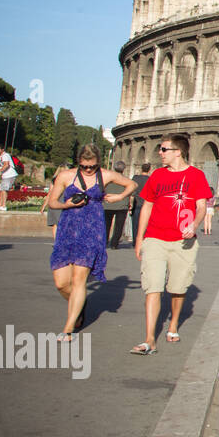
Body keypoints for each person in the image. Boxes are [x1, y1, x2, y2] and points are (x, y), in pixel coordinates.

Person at [131, 134, 212, 355]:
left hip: (183, 241)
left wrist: (194, 225)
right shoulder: (157, 175)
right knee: (152, 287)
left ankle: (174, 323)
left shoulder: (196, 176)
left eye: (164, 149)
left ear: (178, 151)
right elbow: (147, 206)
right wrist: (139, 238)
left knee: (177, 288)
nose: (160, 152)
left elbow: (202, 207)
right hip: (155, 238)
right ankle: (149, 339)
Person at [47, 145, 135, 339]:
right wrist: (66, 204)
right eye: (85, 166)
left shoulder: (104, 175)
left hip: (92, 231)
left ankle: (68, 328)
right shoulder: (65, 176)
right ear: (79, 162)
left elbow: (132, 184)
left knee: (79, 280)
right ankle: (79, 304)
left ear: (98, 163)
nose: (88, 170)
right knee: (61, 283)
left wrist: (119, 196)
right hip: (67, 230)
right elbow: (53, 202)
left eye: (92, 166)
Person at [128, 163, 151, 243]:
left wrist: (130, 204)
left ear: (141, 169)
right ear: (149, 170)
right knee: (145, 224)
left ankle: (135, 241)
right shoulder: (150, 179)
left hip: (136, 203)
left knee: (135, 224)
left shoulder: (135, 178)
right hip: (146, 204)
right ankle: (143, 240)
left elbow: (132, 192)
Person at [0, 145, 17, 211]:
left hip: (9, 175)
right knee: (1, 190)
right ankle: (0, 205)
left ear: (2, 150)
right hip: (5, 175)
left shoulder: (5, 155)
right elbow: (2, 167)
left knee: (4, 190)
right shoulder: (0, 157)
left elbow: (6, 165)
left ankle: (3, 206)